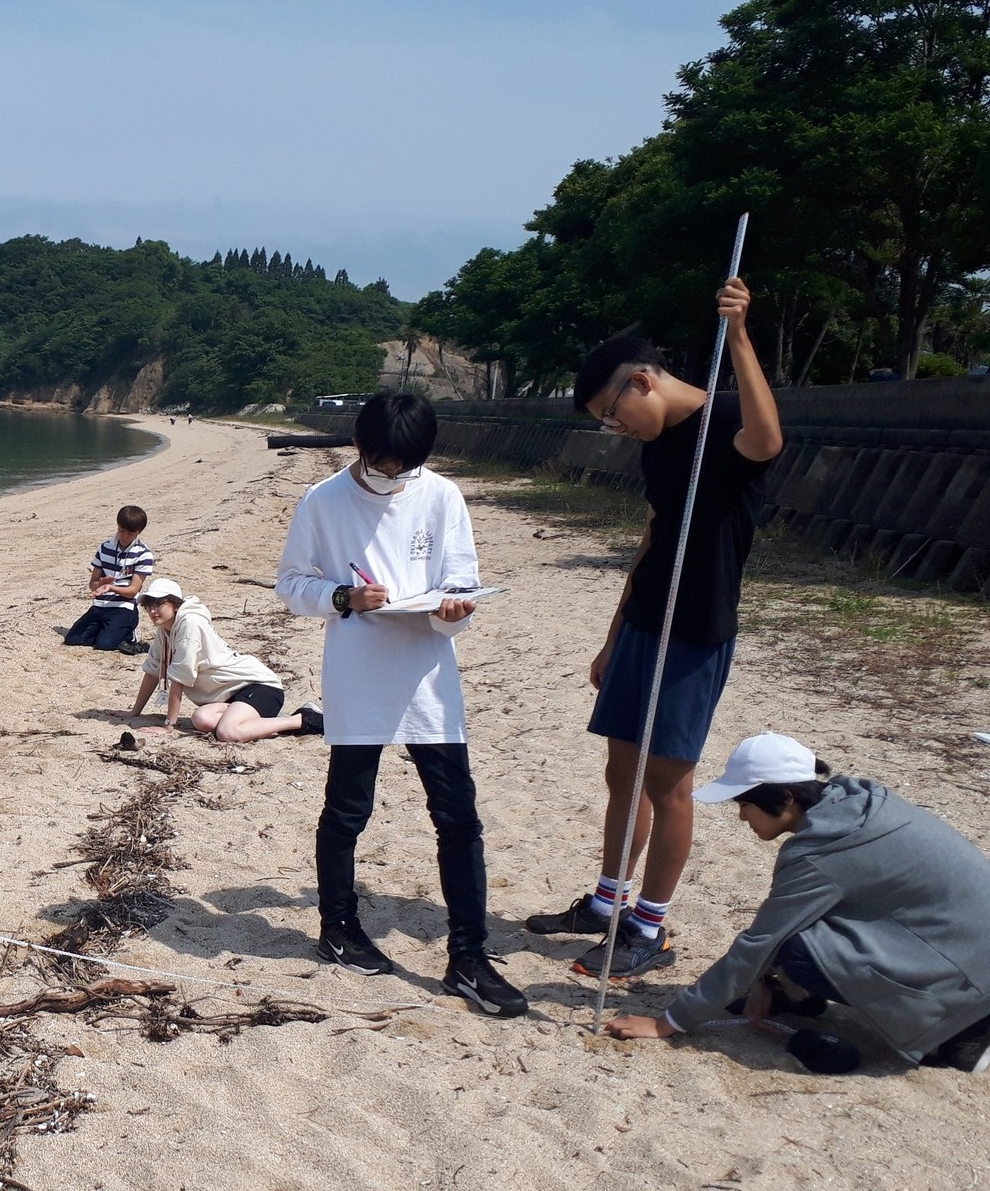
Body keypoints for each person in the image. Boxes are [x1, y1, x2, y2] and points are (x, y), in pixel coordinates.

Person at [528, 278, 785, 979]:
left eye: (614, 414)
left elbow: (767, 441)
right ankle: (608, 903)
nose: (616, 429)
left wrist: (738, 334)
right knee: (623, 770)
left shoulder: (721, 425)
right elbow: (651, 537)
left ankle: (651, 928)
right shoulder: (658, 446)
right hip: (646, 620)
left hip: (696, 629)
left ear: (642, 382)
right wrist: (614, 635)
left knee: (670, 781)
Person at [275, 391, 526, 1018]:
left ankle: (468, 955)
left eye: (405, 467)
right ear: (361, 448)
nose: (394, 477)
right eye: (385, 465)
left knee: (458, 816)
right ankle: (338, 926)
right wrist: (342, 597)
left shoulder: (440, 495)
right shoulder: (324, 500)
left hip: (426, 675)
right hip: (358, 671)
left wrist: (453, 608)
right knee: (348, 809)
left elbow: (463, 580)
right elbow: (292, 583)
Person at [607, 733, 990, 1074]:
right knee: (799, 932)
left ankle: (961, 1031)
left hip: (971, 976)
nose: (742, 817)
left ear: (786, 798)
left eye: (745, 804)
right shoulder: (855, 803)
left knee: (794, 947)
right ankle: (799, 996)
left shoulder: (822, 851)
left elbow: (760, 941)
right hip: (960, 939)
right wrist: (761, 981)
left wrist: (668, 1023)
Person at [126, 578, 321, 741]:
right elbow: (153, 669)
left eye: (159, 603)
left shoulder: (190, 623)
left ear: (175, 603)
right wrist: (134, 712)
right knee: (202, 719)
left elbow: (180, 676)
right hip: (229, 696)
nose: (153, 611)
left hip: (259, 686)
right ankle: (264, 720)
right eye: (149, 606)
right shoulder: (166, 629)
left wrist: (169, 726)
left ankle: (301, 719)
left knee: (227, 732)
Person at [65, 504, 155, 654]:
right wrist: (99, 584)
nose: (124, 537)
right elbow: (92, 583)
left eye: (130, 533)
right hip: (101, 605)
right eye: (122, 531)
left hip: (123, 606)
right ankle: (108, 631)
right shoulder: (105, 548)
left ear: (139, 532)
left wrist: (111, 588)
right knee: (72, 639)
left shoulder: (143, 554)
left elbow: (133, 591)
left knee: (105, 644)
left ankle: (128, 636)